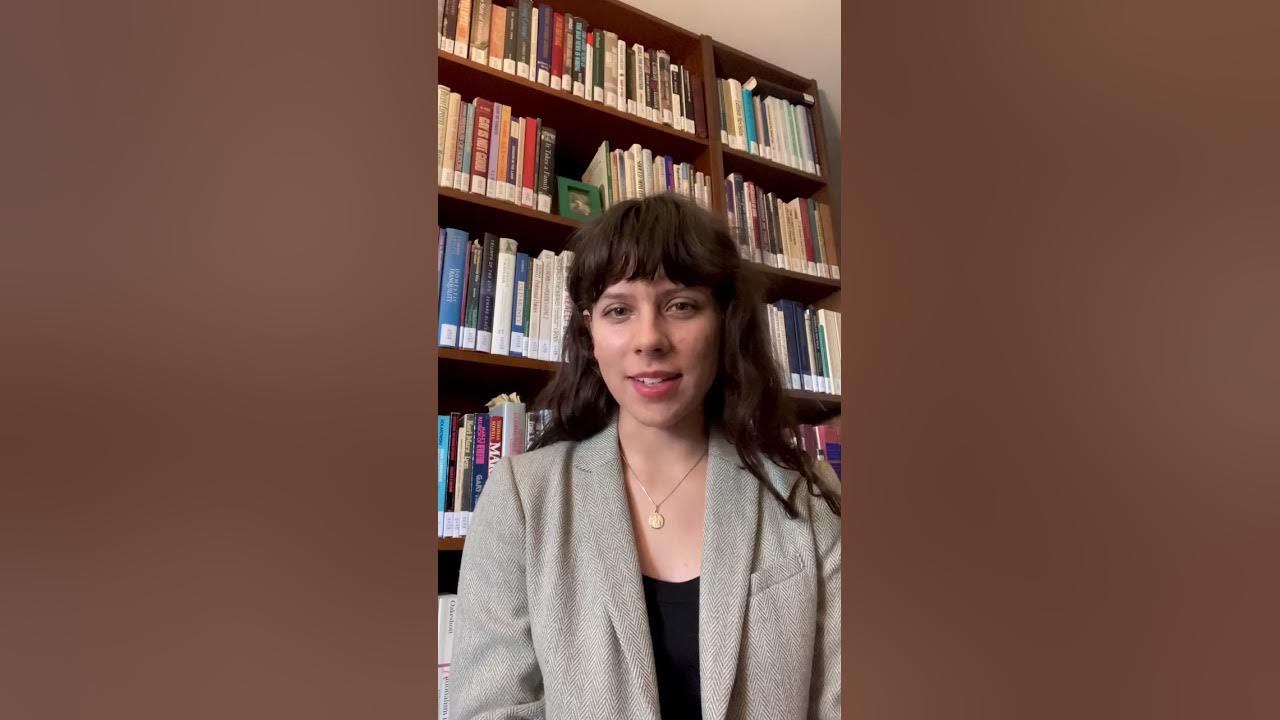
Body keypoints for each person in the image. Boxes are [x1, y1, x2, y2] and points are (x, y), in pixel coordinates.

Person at [451, 193, 842, 720]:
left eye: (680, 305)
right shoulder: (523, 497)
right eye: (619, 310)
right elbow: (492, 709)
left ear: (724, 321)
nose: (649, 340)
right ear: (590, 333)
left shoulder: (807, 493)